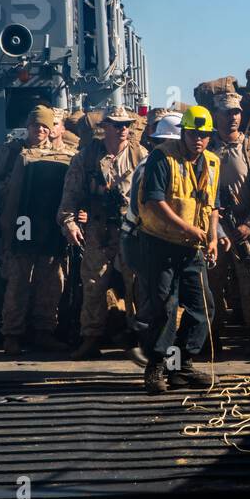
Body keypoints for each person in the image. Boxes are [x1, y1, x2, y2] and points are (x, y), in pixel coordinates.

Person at [135, 106, 221, 394]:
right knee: (165, 307)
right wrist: (189, 229)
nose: (199, 139)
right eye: (194, 133)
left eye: (204, 135)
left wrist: (211, 238)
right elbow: (154, 201)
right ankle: (156, 367)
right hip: (160, 244)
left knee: (203, 308)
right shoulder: (162, 157)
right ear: (183, 132)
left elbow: (212, 206)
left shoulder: (211, 162)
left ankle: (181, 367)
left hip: (193, 247)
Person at [58, 106, 147, 360]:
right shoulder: (86, 158)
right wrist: (70, 223)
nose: (123, 130)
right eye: (117, 125)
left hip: (132, 228)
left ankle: (137, 338)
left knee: (136, 285)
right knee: (94, 284)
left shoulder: (140, 155)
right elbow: (70, 196)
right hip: (97, 228)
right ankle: (91, 337)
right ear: (105, 126)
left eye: (126, 125)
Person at [0, 105, 78, 356]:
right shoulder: (13, 153)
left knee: (52, 281)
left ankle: (44, 331)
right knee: (19, 280)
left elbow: (74, 191)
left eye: (46, 126)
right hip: (23, 223)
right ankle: (12, 334)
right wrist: (6, 193)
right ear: (28, 127)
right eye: (36, 126)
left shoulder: (68, 155)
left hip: (52, 225)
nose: (41, 130)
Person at [208, 92, 250, 356]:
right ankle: (210, 337)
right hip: (214, 227)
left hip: (244, 227)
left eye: (236, 112)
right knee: (211, 283)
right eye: (227, 112)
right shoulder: (206, 146)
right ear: (216, 116)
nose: (233, 117)